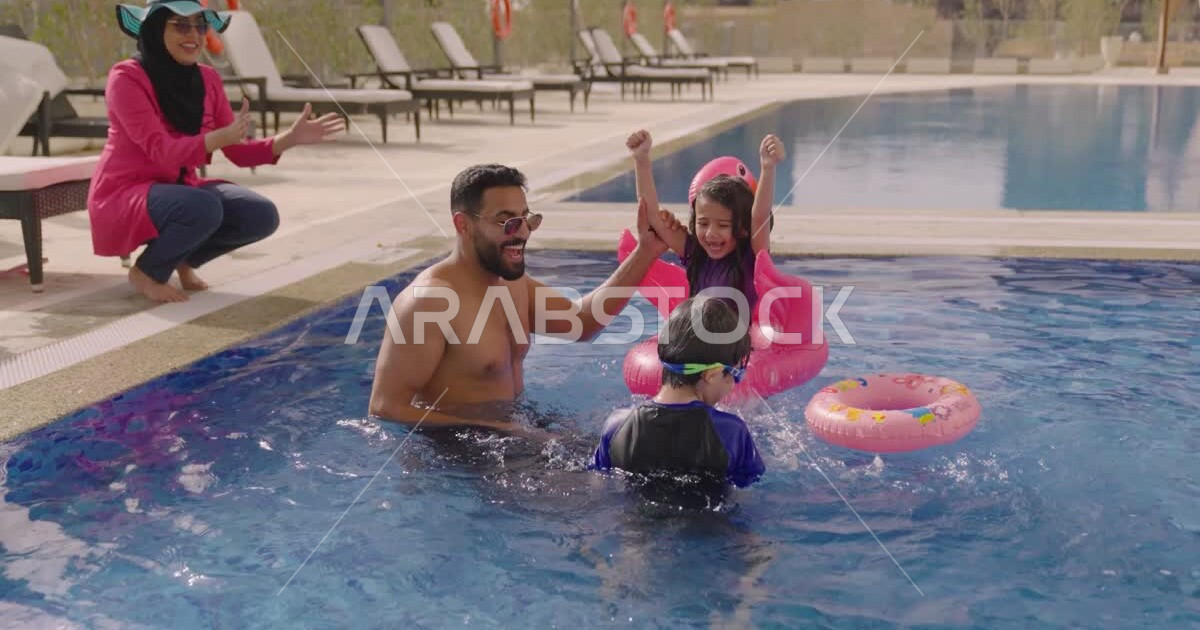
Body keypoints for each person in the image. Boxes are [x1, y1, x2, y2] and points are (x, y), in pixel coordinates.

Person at [368, 164, 681, 435]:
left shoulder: (512, 285)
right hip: (457, 453)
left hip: (516, 428)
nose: (522, 233)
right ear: (463, 225)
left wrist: (646, 251)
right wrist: (497, 430)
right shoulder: (429, 302)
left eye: (526, 219)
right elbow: (385, 407)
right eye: (507, 222)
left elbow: (583, 323)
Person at [89, 1, 344, 303]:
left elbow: (237, 151)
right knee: (202, 208)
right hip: (125, 193)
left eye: (200, 25)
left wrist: (289, 138)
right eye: (181, 25)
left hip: (181, 191)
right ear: (155, 29)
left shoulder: (207, 79)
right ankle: (146, 271)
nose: (194, 34)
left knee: (260, 215)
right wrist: (215, 138)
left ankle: (183, 258)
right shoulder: (126, 78)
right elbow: (160, 151)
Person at [592, 296, 765, 488]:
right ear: (711, 374)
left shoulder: (617, 425)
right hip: (711, 518)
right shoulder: (731, 431)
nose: (734, 384)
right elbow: (747, 489)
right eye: (736, 375)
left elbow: (599, 483)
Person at [625, 129, 785, 310]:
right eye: (703, 223)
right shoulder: (696, 254)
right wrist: (641, 160)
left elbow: (759, 217)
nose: (710, 233)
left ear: (743, 228)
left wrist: (768, 168)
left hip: (738, 338)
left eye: (723, 225)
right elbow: (652, 215)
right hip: (699, 335)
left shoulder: (752, 257)